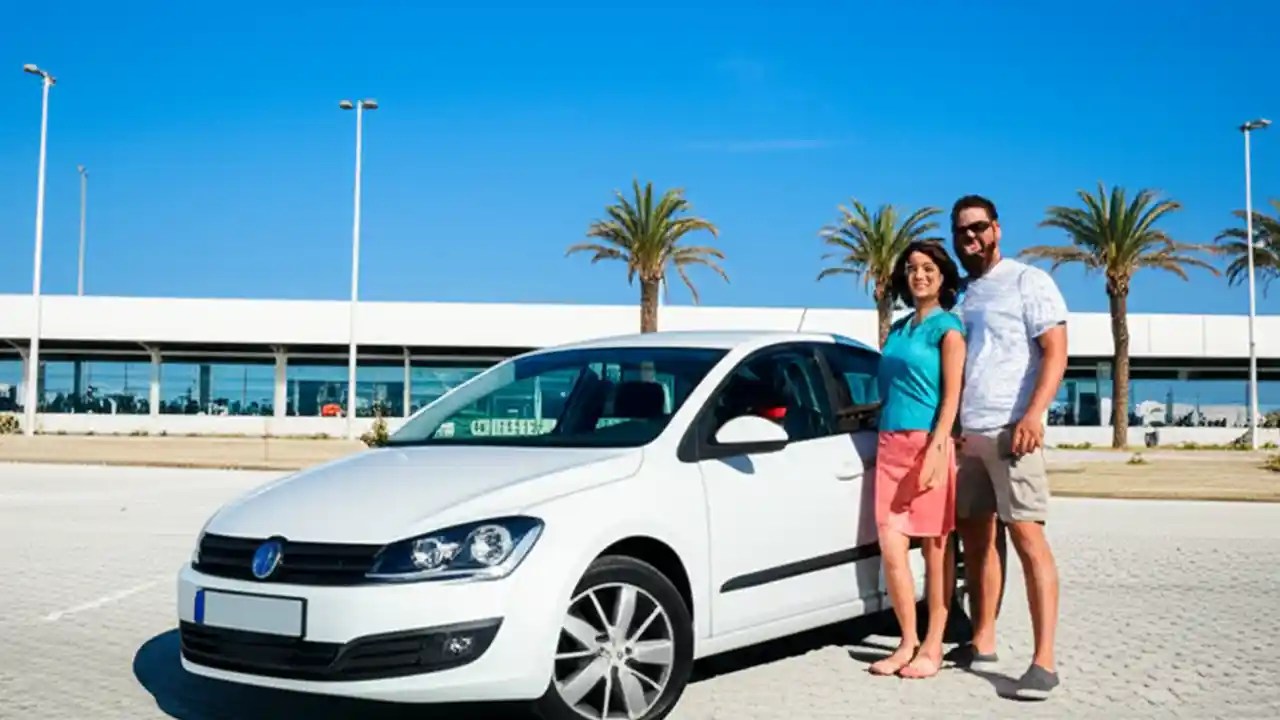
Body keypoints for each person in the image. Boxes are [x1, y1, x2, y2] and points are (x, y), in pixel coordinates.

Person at [948, 194, 1068, 701]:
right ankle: (984, 639)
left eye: (977, 228)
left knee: (1027, 540)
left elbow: (1055, 350)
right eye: (961, 232)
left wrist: (1032, 415)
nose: (969, 238)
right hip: (968, 437)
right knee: (975, 544)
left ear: (996, 229)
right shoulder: (964, 297)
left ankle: (1044, 661)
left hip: (1013, 432)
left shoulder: (1028, 281)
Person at [867, 239, 966, 679]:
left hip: (928, 444)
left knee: (936, 549)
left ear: (942, 276)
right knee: (892, 547)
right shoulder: (899, 329)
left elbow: (951, 397)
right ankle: (906, 641)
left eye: (927, 267)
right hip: (889, 445)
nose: (918, 275)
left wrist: (938, 447)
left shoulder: (948, 328)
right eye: (911, 268)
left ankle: (933, 644)